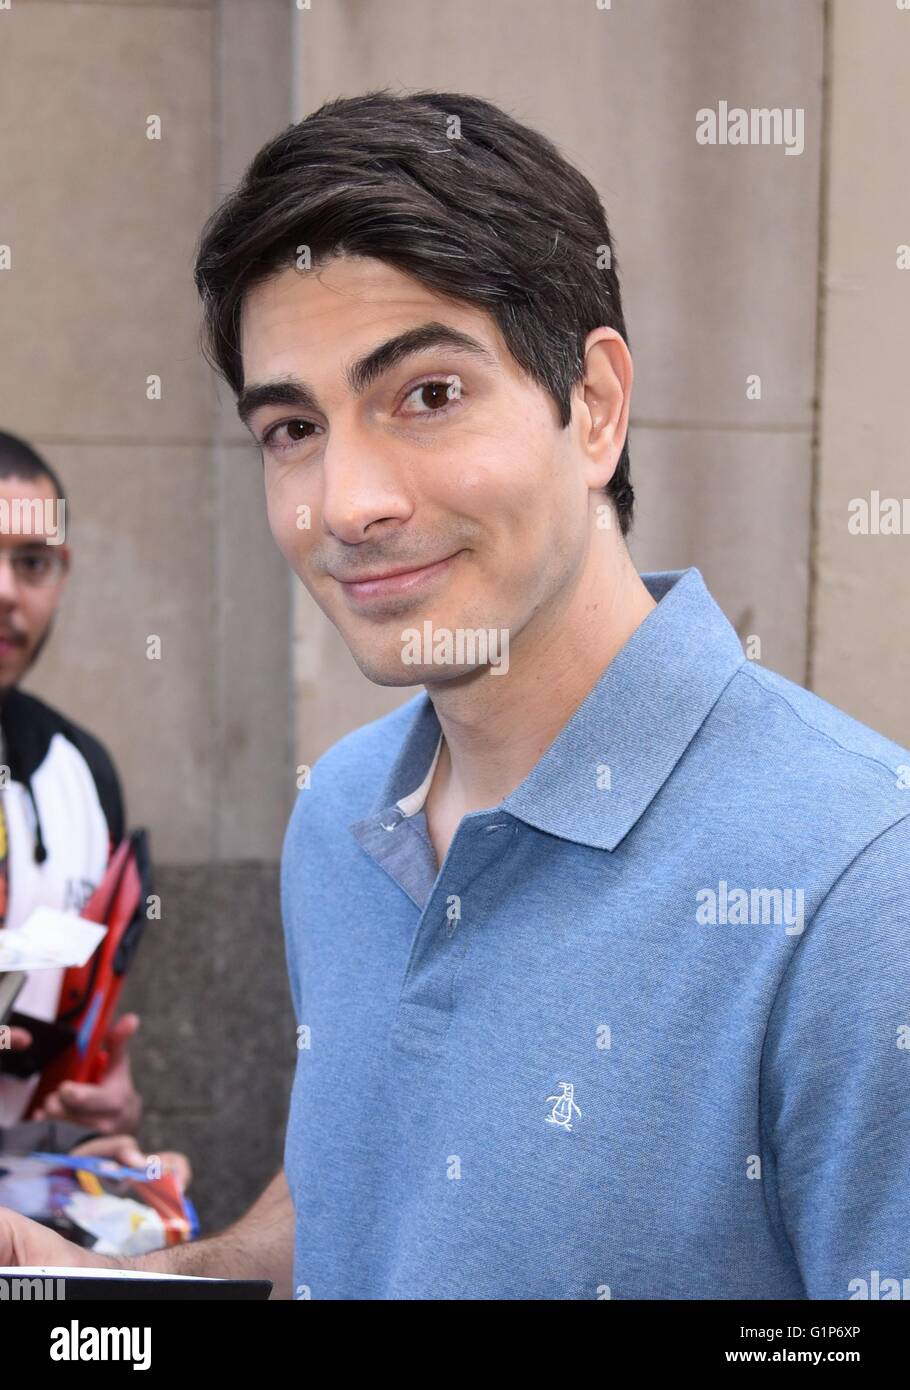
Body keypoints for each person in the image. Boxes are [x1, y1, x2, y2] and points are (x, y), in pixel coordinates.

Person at [2, 90, 908, 1301]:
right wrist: (126, 1300)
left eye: (425, 393)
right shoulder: (339, 821)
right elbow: (373, 1207)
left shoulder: (864, 882)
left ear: (592, 405)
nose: (349, 500)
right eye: (291, 426)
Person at [0, 433, 143, 1139]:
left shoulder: (83, 772)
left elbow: (79, 1017)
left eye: (31, 563)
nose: (5, 592)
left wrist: (101, 1107)